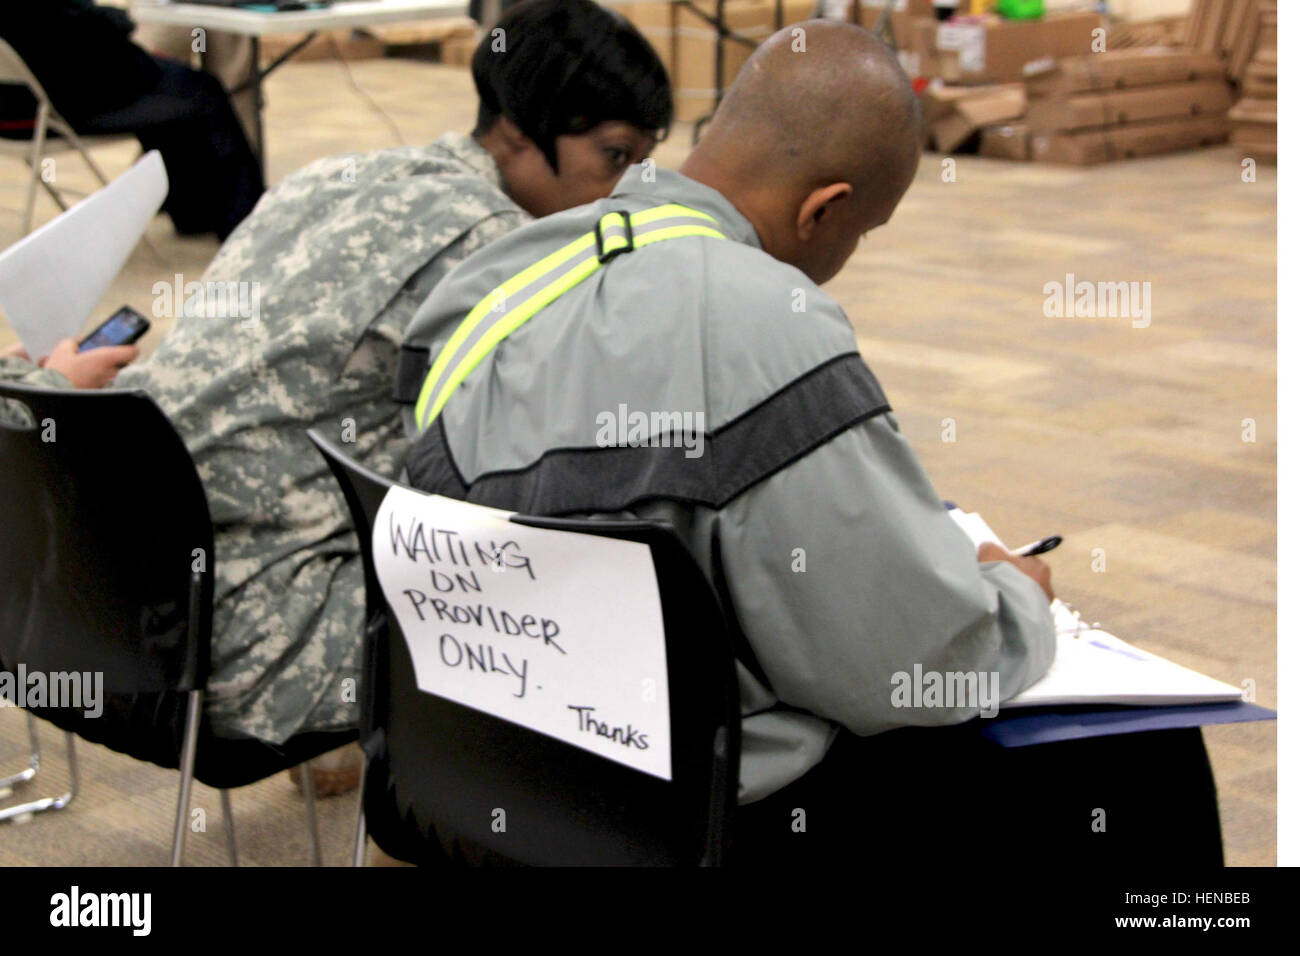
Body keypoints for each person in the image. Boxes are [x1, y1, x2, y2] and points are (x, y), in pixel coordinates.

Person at [398, 21, 1223, 864]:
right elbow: (907, 663)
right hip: (680, 817)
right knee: (1145, 752)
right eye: (860, 233)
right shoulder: (767, 323)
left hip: (480, 770)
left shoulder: (499, 277)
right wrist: (1013, 601)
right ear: (824, 209)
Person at [0, 0, 674, 781]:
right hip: (237, 657)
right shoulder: (503, 255)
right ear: (519, 132)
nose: (627, 189)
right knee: (572, 575)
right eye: (614, 157)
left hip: (88, 608)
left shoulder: (328, 177)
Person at [0, 0, 263, 239]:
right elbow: (79, 31)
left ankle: (193, 212)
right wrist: (120, 19)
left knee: (172, 95)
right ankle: (245, 222)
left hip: (18, 107)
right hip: (72, 101)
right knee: (199, 92)